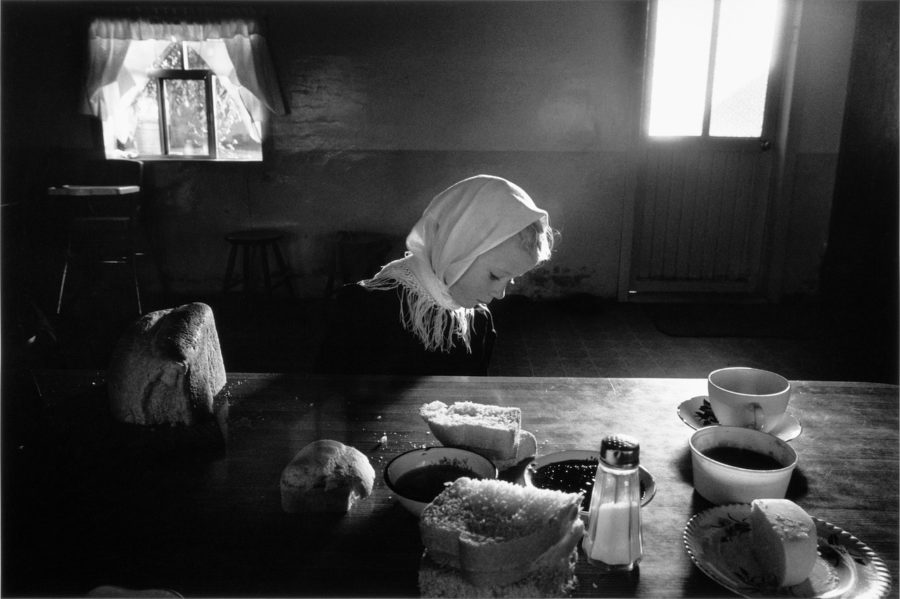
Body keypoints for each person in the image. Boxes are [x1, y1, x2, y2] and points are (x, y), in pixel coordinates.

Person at [315, 174, 555, 376]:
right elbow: (323, 398)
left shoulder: (479, 322)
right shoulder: (364, 306)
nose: (500, 294)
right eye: (495, 275)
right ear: (457, 250)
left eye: (511, 280)